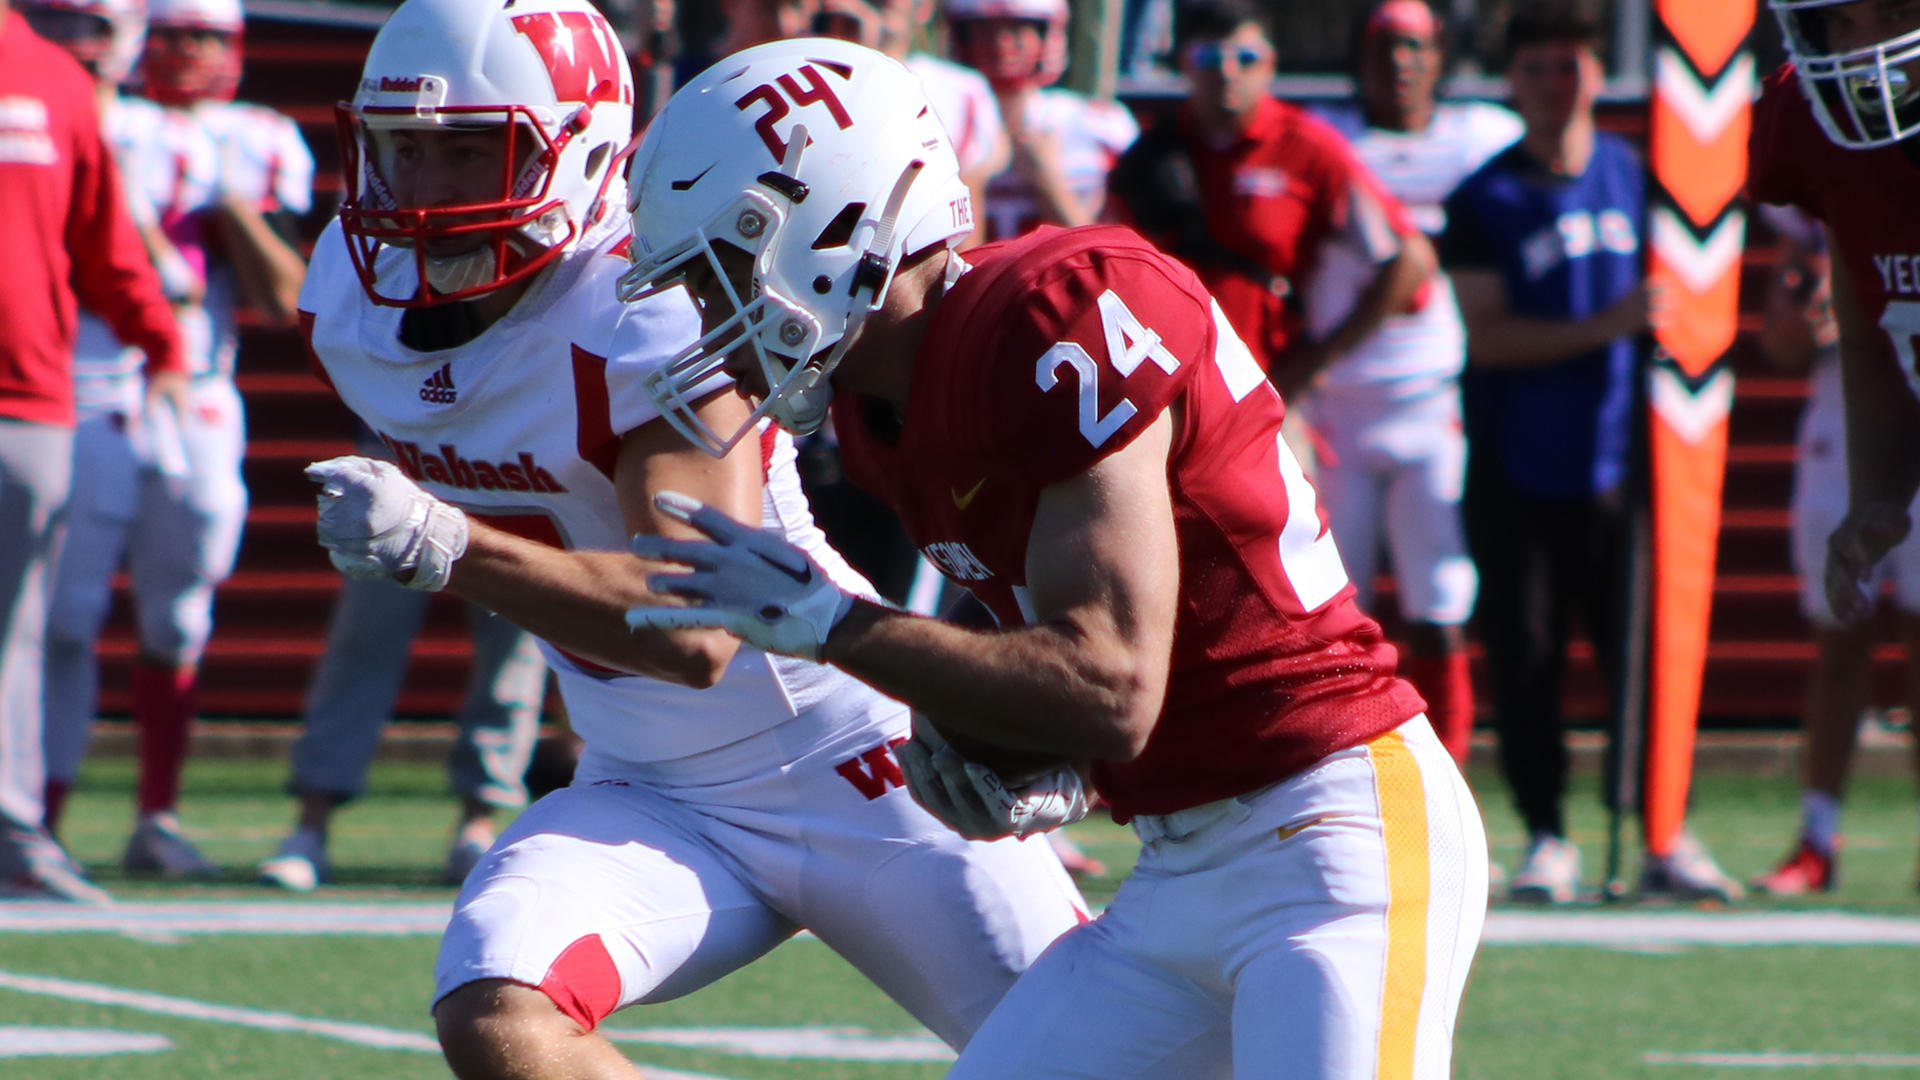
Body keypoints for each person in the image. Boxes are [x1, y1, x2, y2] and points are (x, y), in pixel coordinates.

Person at [621, 35, 1486, 1080]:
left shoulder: (1057, 310)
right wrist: (999, 754)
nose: (712, 321)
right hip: (1174, 879)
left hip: (1335, 834)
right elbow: (1053, 670)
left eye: (721, 274)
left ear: (828, 230)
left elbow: (1111, 682)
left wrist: (835, 625)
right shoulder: (876, 411)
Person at [296, 3, 1086, 1075]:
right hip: (645, 783)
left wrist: (446, 543)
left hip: (851, 759)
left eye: (468, 151)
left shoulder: (648, 301)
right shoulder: (349, 295)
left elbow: (695, 627)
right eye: (403, 152)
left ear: (573, 147)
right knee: (500, 1019)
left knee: (1112, 1058)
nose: (426, 193)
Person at [1439, 0, 1740, 903]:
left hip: (1625, 465)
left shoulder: (1638, 178)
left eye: (1570, 67)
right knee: (1526, 654)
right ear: (1512, 83)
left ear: (1596, 75)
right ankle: (1547, 834)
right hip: (1517, 463)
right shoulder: (1481, 198)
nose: (1555, 86)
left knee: (1639, 649)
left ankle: (1662, 829)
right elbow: (1488, 337)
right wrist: (1608, 325)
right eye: (1536, 70)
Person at [37, 0, 310, 877]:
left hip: (195, 396)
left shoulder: (257, 138)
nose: (187, 52)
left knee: (181, 616)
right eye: (172, 34)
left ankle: (156, 814)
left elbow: (284, 295)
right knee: (64, 620)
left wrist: (226, 199)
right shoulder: (92, 113)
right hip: (86, 390)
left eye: (207, 36)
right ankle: (39, 818)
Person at [0, 0, 185, 901]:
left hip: (27, 397)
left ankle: (12, 831)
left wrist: (162, 338)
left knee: (21, 627)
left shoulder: (53, 78)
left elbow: (102, 237)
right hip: (31, 397)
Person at [1306, 0, 1522, 767]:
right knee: (1335, 611)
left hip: (1432, 399)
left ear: (1440, 57)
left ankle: (1450, 784)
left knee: (1441, 604)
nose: (1400, 62)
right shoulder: (1323, 135)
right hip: (1336, 404)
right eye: (1385, 45)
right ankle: (1344, 777)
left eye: (1415, 47)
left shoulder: (1483, 138)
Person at [1750, 0, 1920, 890]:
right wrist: (1880, 492)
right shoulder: (1810, 127)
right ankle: (1816, 832)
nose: (1866, 41)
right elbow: (1868, 313)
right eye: (1840, 19)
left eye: (1892, 10)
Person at [258, 427, 549, 892]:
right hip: (404, 445)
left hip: (511, 449)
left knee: (511, 647)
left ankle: (478, 823)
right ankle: (310, 826)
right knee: (364, 638)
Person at [945, 0, 1137, 240]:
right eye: (985, 29)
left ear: (1046, 33)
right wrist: (974, 174)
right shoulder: (941, 117)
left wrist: (1047, 180)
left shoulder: (1094, 122)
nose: (1001, 43)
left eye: (1017, 29)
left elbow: (1109, 258)